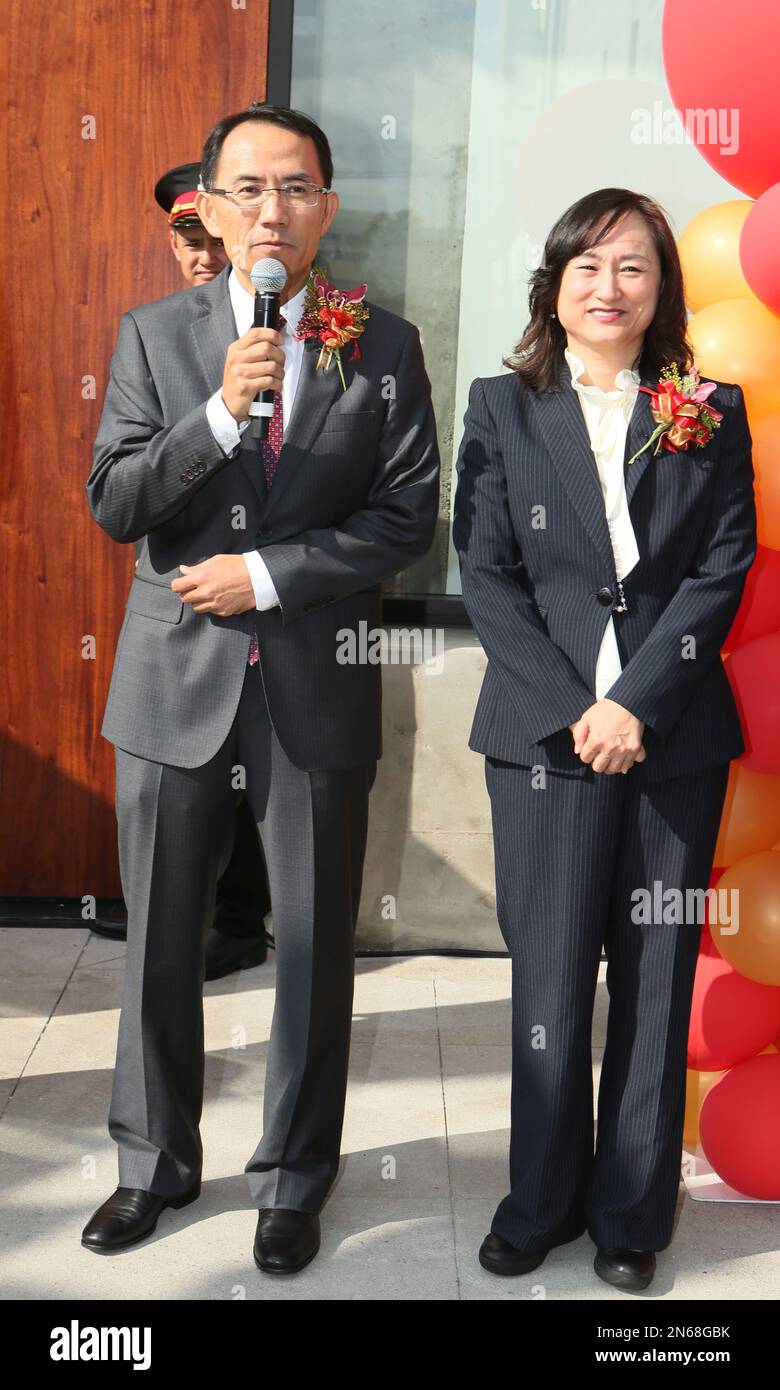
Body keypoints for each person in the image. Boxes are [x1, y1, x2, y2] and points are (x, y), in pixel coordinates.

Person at [81, 102, 440, 1274]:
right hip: (171, 689)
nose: (271, 209)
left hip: (312, 685)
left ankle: (294, 1179)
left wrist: (272, 575)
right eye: (248, 188)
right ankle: (151, 1164)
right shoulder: (151, 335)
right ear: (213, 209)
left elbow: (403, 516)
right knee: (159, 944)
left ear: (325, 207)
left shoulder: (382, 345)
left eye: (295, 187)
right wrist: (221, 413)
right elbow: (118, 500)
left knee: (313, 946)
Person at [453, 188, 756, 1293]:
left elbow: (721, 568)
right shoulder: (500, 405)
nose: (609, 286)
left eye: (633, 267)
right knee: (548, 982)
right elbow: (486, 574)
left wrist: (634, 701)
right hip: (541, 742)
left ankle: (632, 1207)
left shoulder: (707, 408)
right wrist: (576, 707)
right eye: (589, 265)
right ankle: (538, 1199)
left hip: (671, 739)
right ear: (556, 284)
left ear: (661, 288)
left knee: (656, 972)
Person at [156, 162, 272, 982]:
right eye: (185, 237)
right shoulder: (156, 336)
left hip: (296, 624)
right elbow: (122, 490)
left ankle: (241, 922)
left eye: (211, 235)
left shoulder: (310, 329)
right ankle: (190, 927)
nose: (201, 254)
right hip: (189, 630)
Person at [154, 162, 229, 287]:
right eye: (193, 244)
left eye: (220, 243)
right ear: (175, 245)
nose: (206, 259)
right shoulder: (163, 308)